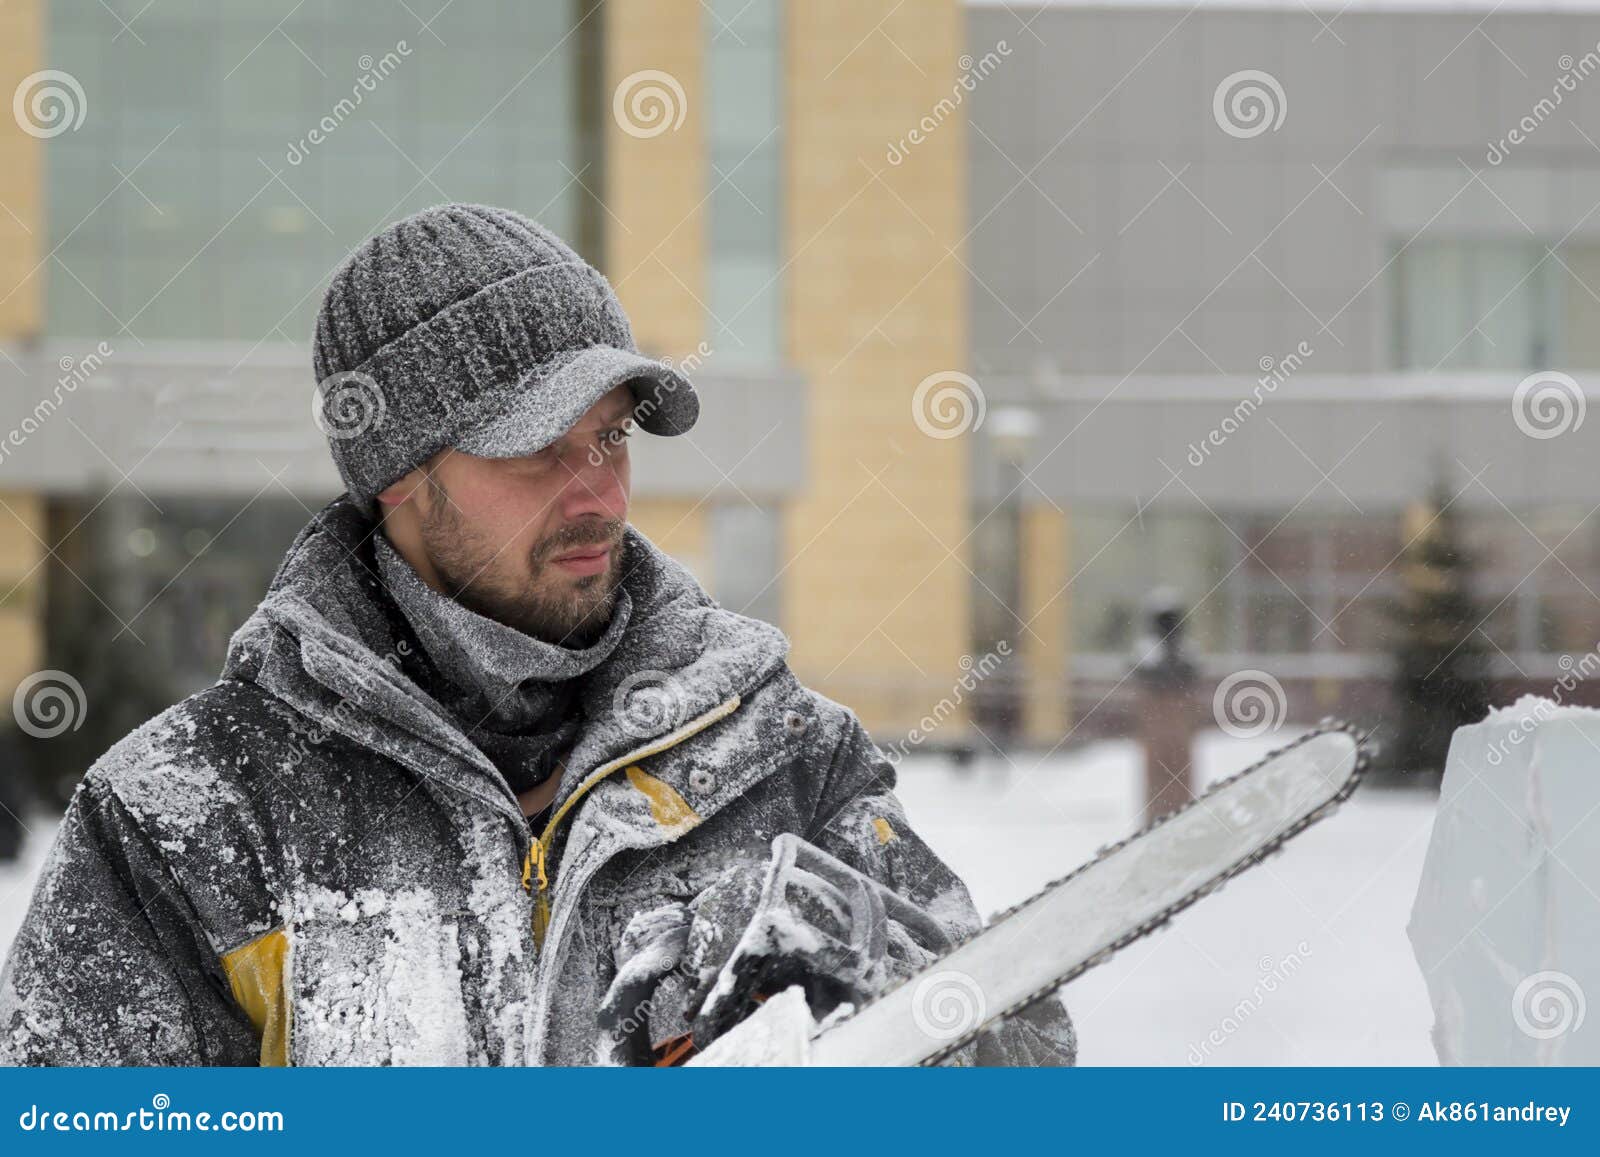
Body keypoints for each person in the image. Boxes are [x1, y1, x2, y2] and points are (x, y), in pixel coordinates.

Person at [0, 204, 1074, 1067]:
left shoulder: (787, 759)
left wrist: (867, 979)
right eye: (535, 449)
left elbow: (1026, 1075)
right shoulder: (190, 816)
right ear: (399, 480)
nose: (597, 491)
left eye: (608, 436)